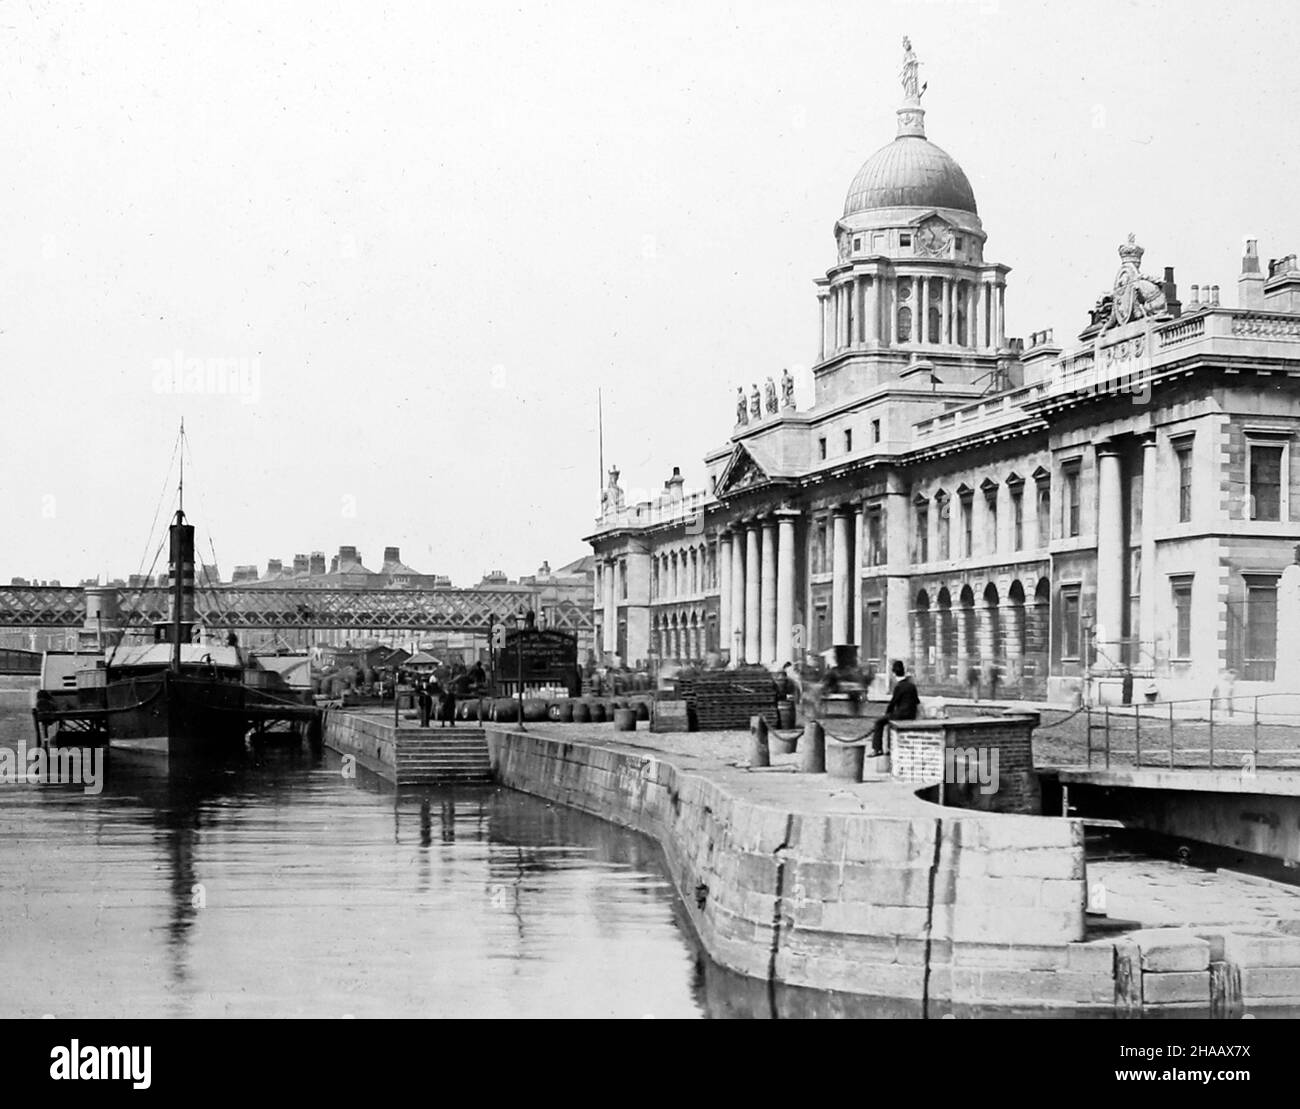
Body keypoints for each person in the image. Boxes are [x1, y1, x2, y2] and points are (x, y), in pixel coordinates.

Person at [870, 659, 919, 756]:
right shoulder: (912, 686)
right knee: (889, 722)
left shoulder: (899, 687)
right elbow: (916, 701)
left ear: (894, 673)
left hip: (901, 714)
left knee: (879, 722)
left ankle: (877, 749)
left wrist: (886, 713)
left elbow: (893, 703)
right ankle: (889, 747)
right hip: (911, 714)